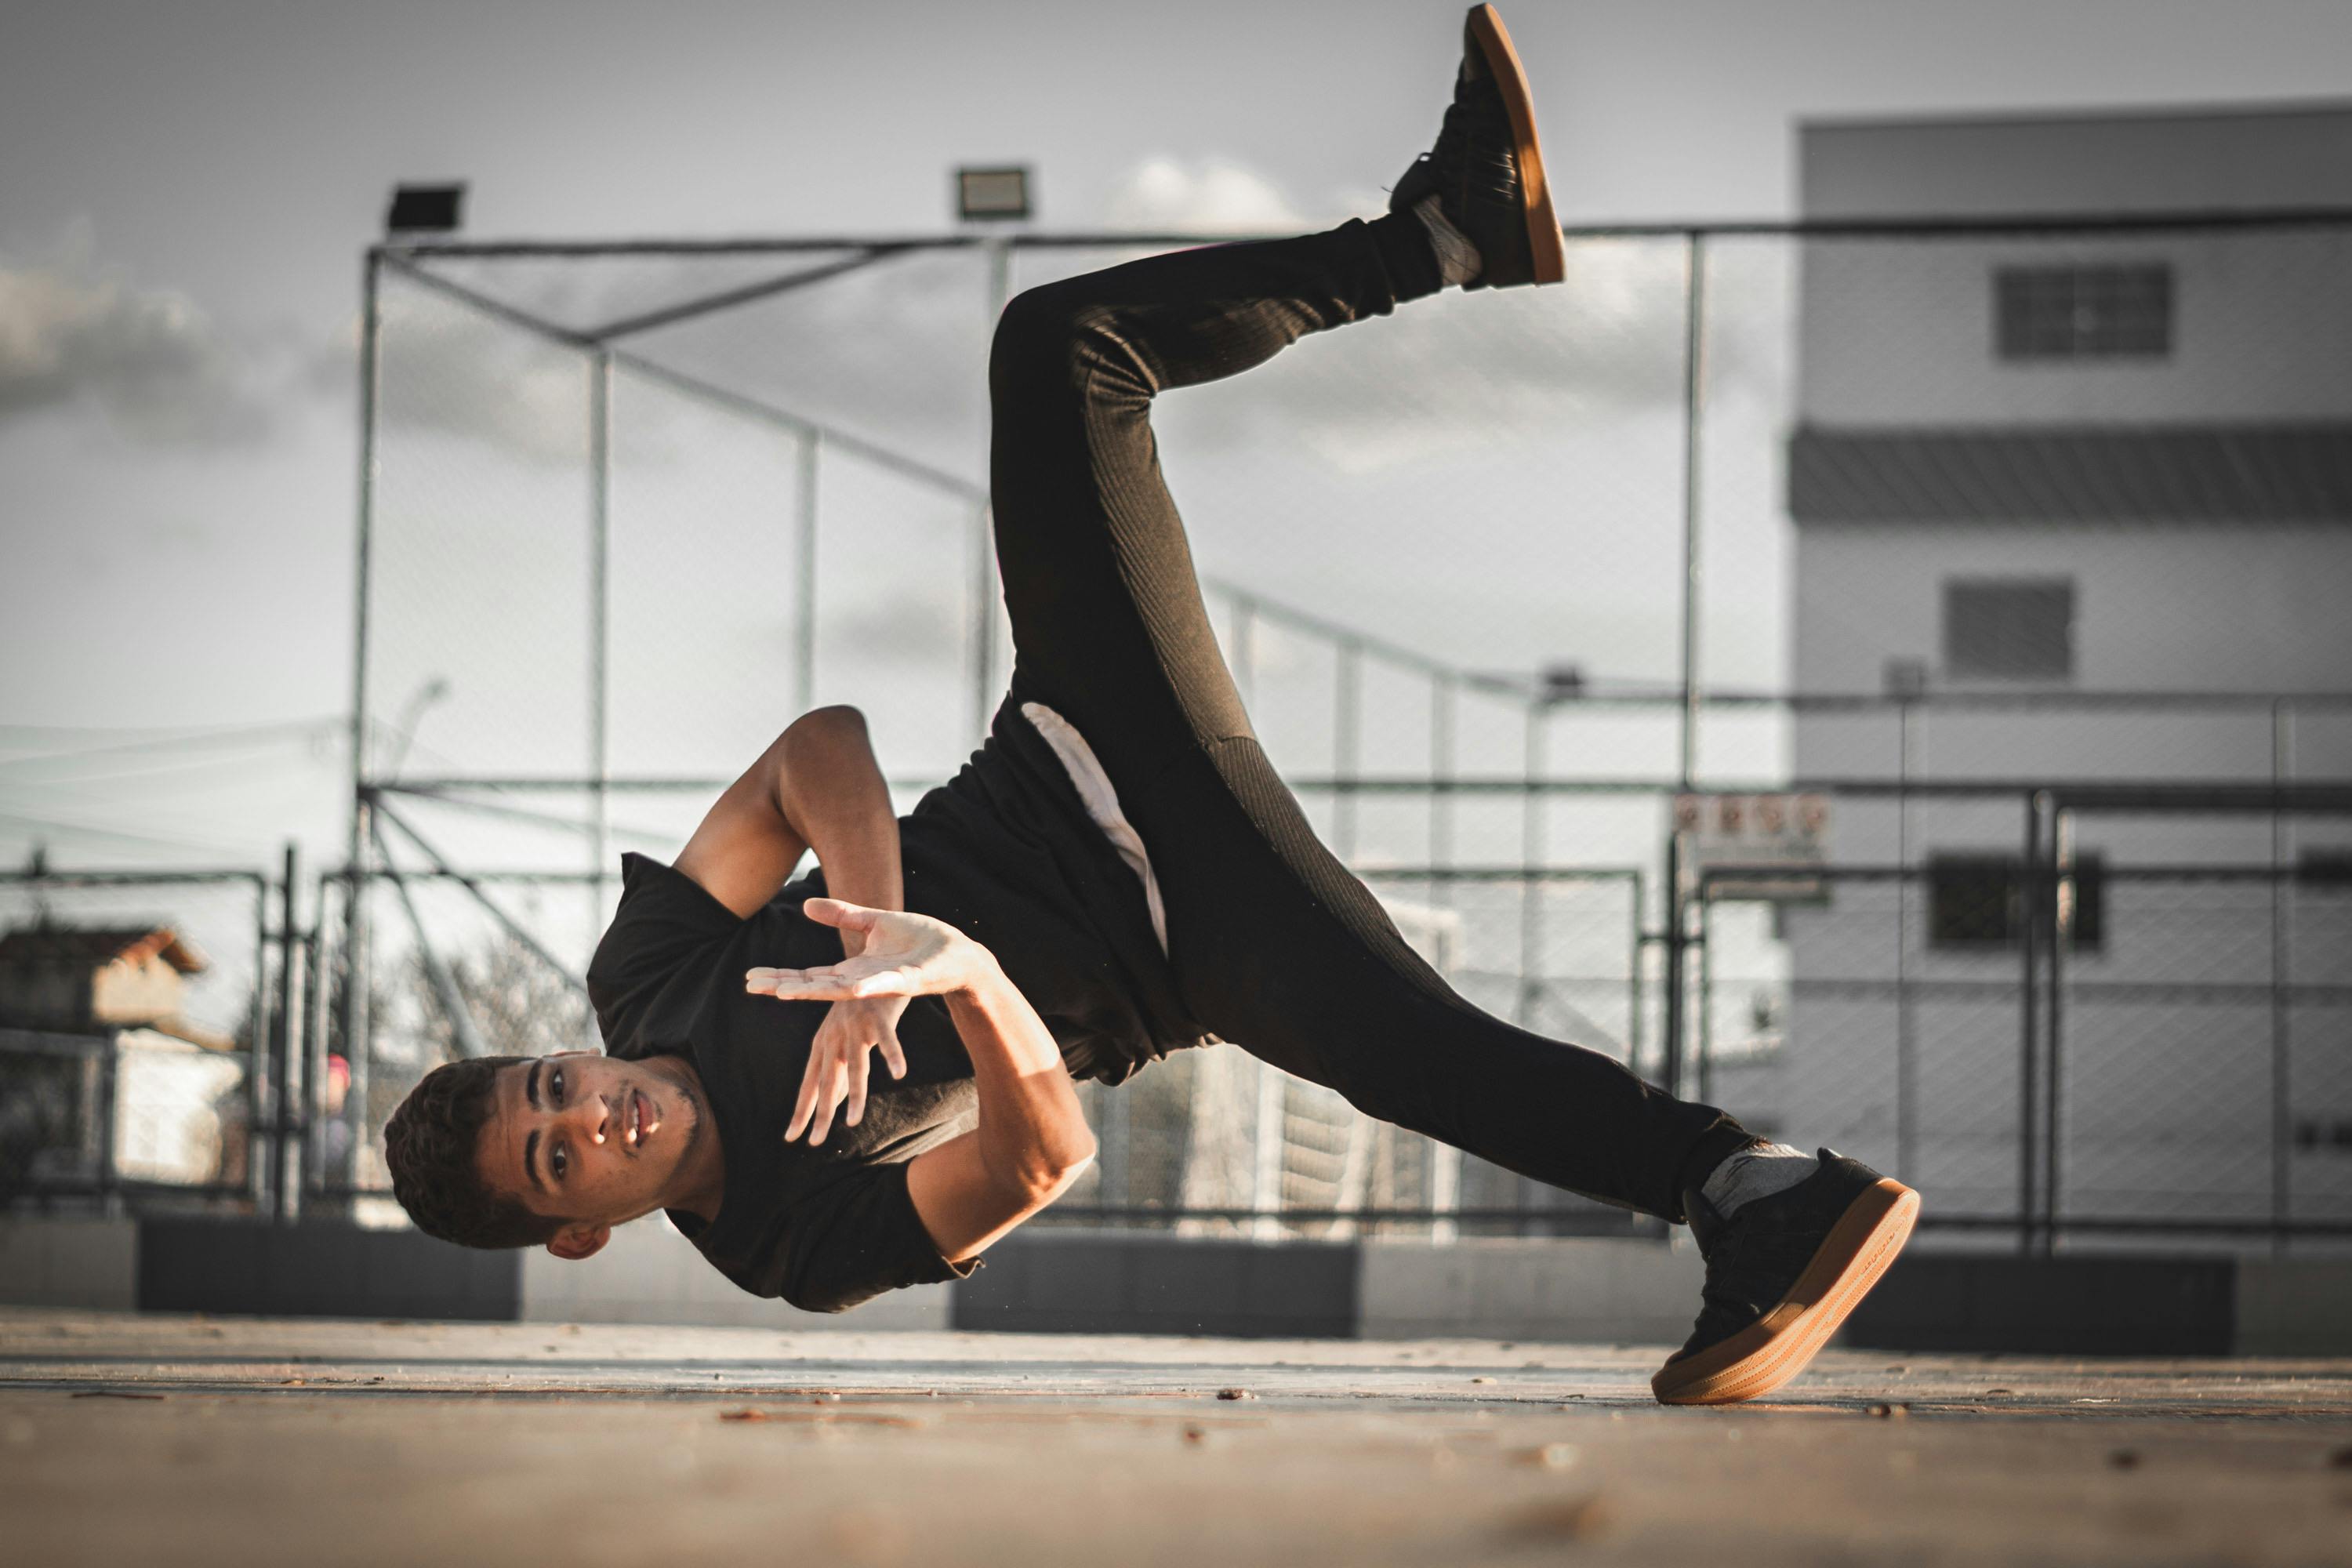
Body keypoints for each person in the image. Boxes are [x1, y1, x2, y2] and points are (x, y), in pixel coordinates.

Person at [383, 5, 1917, 1407]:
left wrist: (866, 943)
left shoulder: (645, 969)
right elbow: (1039, 1157)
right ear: (576, 1232)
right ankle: (1761, 1195)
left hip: (1080, 736)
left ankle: (1446, 231)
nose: (594, 1115)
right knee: (1425, 1058)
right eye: (560, 1160)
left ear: (558, 1052)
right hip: (1192, 948)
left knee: (1060, 349)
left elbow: (816, 750)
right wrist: (958, 977)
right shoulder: (789, 1242)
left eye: (553, 1089)